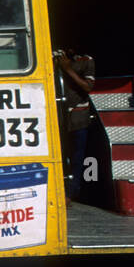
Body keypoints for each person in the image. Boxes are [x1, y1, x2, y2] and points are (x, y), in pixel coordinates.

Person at [55, 47, 96, 202]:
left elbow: (88, 86)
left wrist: (67, 69)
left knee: (78, 157)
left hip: (79, 116)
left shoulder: (86, 60)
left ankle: (72, 193)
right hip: (60, 115)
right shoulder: (55, 59)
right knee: (61, 154)